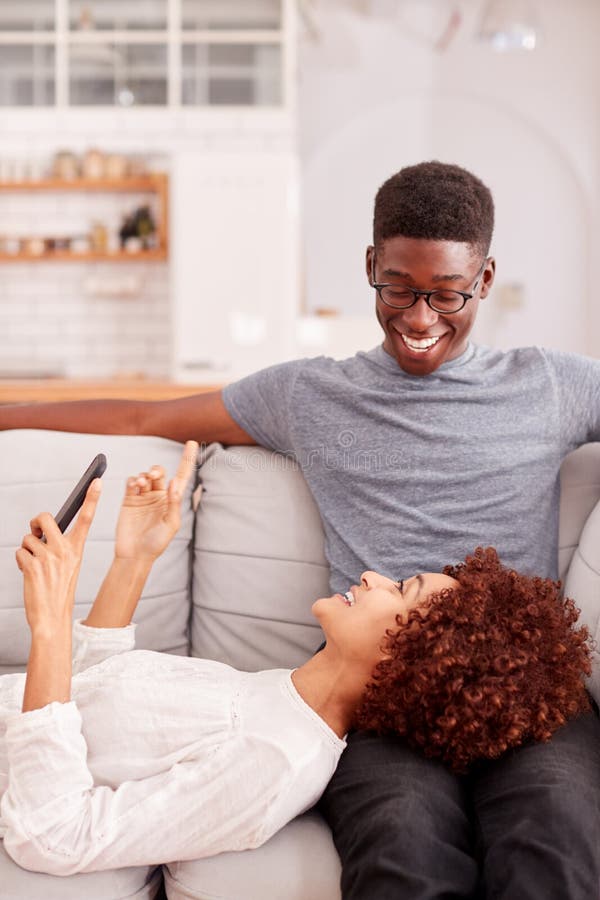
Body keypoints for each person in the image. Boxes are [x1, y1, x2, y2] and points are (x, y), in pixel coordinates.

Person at [1, 159, 599, 897]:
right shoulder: (311, 394)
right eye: (398, 289)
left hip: (526, 680)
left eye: (447, 293)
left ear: (485, 277)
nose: (420, 319)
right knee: (402, 837)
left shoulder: (550, 384)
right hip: (380, 679)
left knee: (554, 829)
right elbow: (141, 417)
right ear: (371, 267)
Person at [0, 443, 592, 879]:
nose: (371, 575)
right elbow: (91, 698)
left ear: (421, 659)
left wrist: (50, 624)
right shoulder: (280, 693)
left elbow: (54, 834)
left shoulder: (277, 758)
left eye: (400, 589)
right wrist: (133, 562)